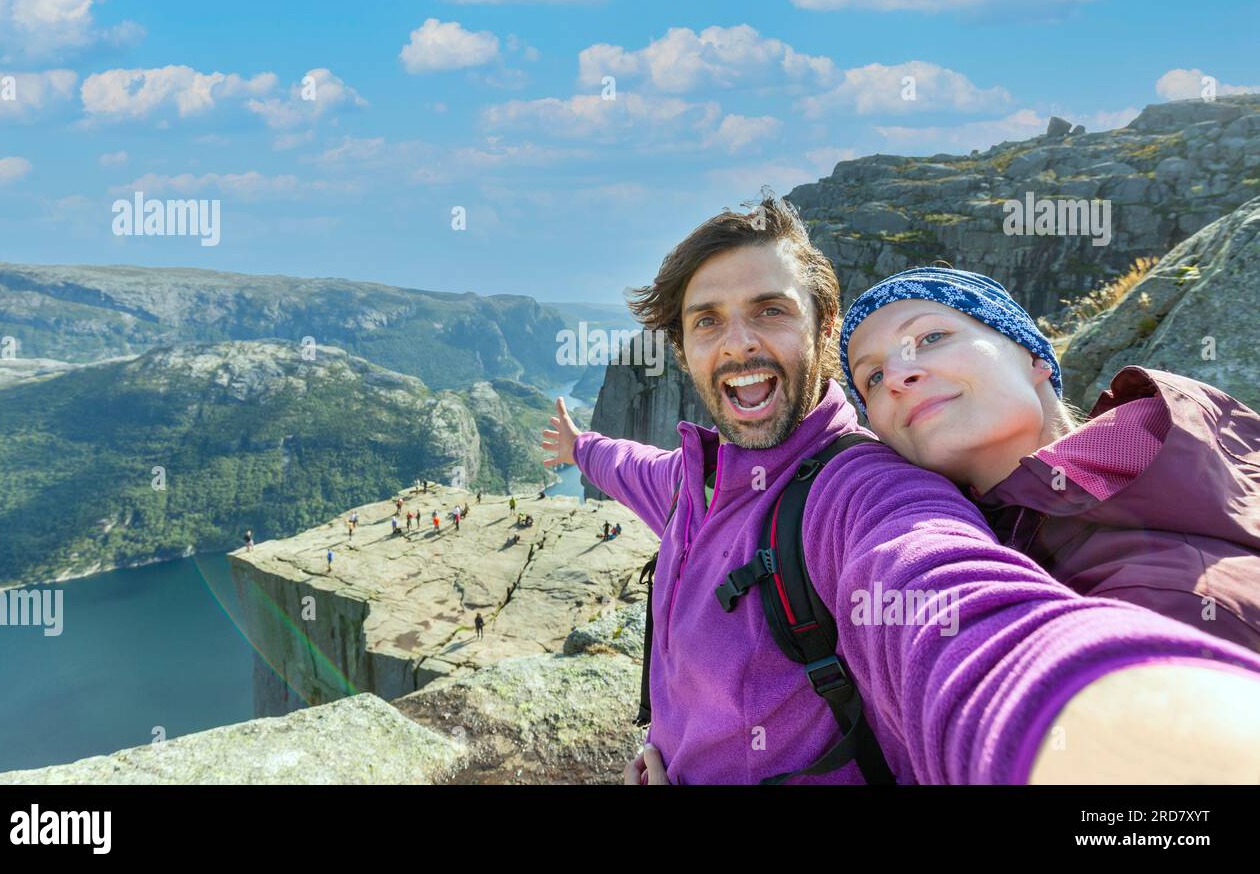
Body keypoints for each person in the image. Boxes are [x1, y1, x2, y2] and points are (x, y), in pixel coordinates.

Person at [540, 191, 1260, 786]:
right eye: (707, 322)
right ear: (685, 352)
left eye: (771, 310)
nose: (737, 344)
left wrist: (1127, 734)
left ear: (822, 337)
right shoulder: (691, 479)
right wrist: (579, 448)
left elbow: (963, 616)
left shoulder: (861, 490)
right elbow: (629, 465)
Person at [839, 266, 1260, 652]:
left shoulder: (1180, 604)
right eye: (872, 377)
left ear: (1035, 358)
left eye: (931, 338)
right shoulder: (940, 547)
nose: (896, 376)